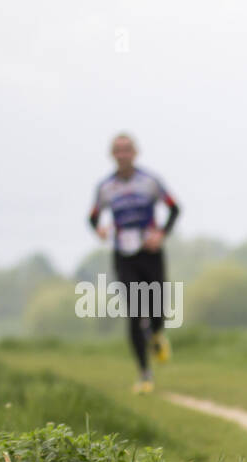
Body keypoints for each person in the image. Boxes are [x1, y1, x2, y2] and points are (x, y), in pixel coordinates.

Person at [88, 133, 180, 394]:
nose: (123, 154)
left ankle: (157, 335)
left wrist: (161, 233)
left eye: (127, 150)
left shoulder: (149, 181)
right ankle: (144, 374)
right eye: (118, 150)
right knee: (135, 310)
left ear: (135, 153)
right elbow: (93, 217)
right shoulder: (105, 187)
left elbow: (174, 208)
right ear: (112, 154)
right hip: (123, 255)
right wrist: (100, 230)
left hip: (150, 252)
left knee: (157, 308)